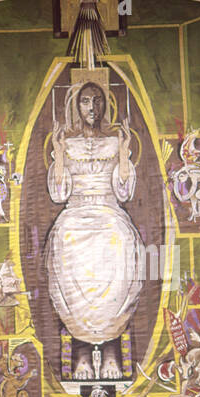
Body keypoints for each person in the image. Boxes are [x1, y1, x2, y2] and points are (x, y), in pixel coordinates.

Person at [44, 80, 144, 378]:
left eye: (98, 101)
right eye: (86, 101)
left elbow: (124, 192)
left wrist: (124, 152)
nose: (92, 108)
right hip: (75, 213)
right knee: (66, 239)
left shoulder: (114, 142)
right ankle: (83, 355)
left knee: (119, 240)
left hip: (109, 211)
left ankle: (111, 352)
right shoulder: (68, 143)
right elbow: (59, 194)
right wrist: (60, 152)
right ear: (77, 106)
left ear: (106, 105)